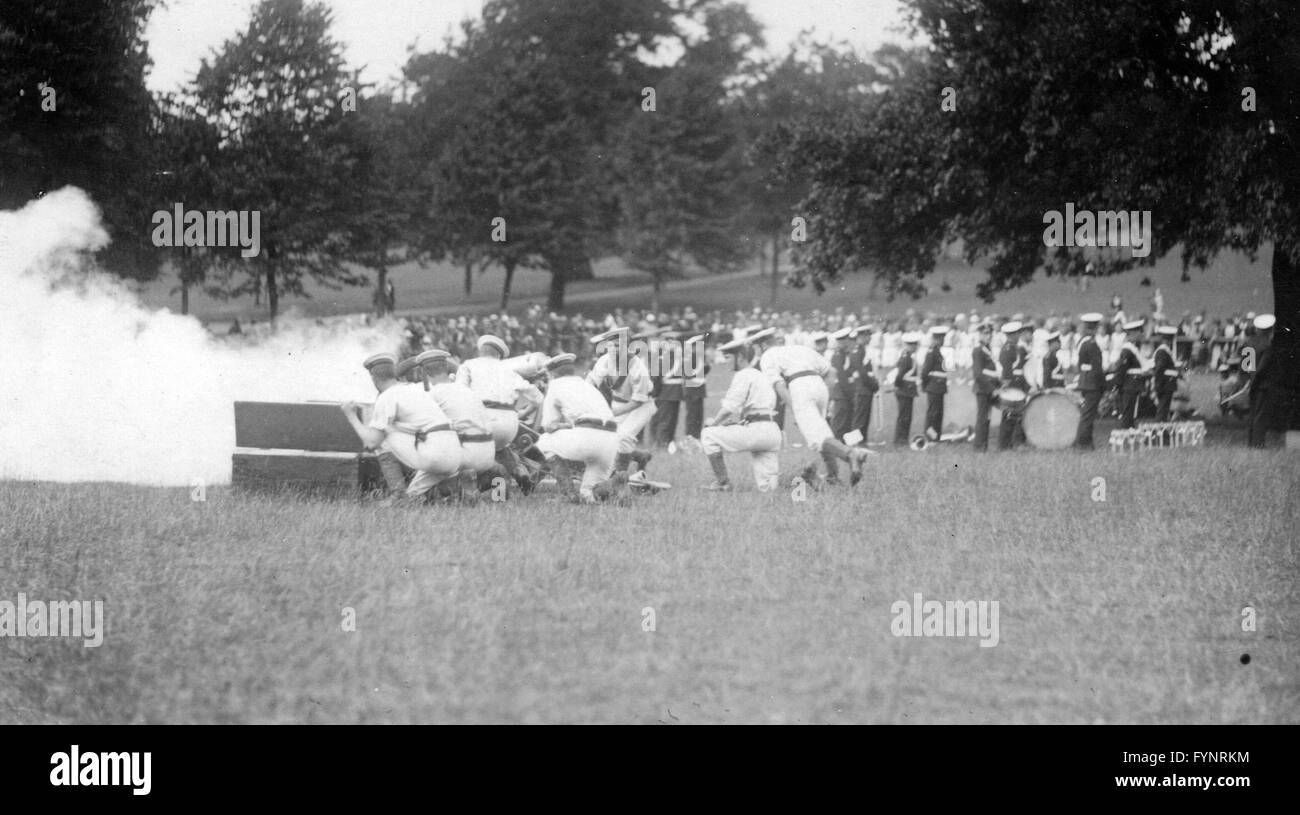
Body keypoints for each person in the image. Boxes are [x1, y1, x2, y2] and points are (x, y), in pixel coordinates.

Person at [754, 328, 870, 485]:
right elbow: (832, 372)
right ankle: (832, 476)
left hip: (799, 386)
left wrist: (795, 409)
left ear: (763, 345)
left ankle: (850, 454)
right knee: (822, 432)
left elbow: (780, 385)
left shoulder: (768, 356)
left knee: (817, 438)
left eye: (756, 347)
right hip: (819, 384)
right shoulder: (800, 348)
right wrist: (826, 397)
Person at [340, 353, 461, 501]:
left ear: (373, 377)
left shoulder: (387, 397)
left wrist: (351, 415)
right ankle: (439, 495)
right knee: (410, 499)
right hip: (454, 454)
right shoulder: (415, 388)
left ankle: (398, 494)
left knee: (383, 439)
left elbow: (371, 443)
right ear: (394, 374)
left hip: (435, 457)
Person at [535, 353, 621, 503]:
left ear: (553, 374)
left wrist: (565, 426)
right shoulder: (587, 385)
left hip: (587, 436)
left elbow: (548, 426)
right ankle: (616, 489)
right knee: (587, 495)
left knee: (544, 441)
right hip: (611, 440)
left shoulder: (555, 385)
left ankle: (567, 494)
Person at [700, 337, 782, 492]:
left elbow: (729, 407)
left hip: (757, 432)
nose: (725, 361)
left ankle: (722, 483)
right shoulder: (759, 375)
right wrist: (738, 423)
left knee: (708, 434)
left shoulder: (744, 374)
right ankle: (804, 477)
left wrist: (715, 423)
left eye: (728, 357)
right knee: (769, 490)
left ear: (741, 357)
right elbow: (757, 411)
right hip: (771, 432)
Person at [416, 349, 499, 499]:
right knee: (496, 472)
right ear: (446, 368)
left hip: (465, 455)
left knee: (416, 496)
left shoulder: (433, 394)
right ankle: (496, 490)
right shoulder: (467, 390)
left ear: (425, 373)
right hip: (488, 454)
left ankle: (462, 485)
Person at [587, 327, 656, 475]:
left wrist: (613, 412)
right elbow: (591, 382)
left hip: (641, 405)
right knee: (607, 437)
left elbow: (639, 400)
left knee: (624, 436)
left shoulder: (638, 367)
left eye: (617, 345)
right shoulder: (604, 360)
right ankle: (640, 456)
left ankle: (619, 475)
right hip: (618, 402)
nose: (613, 349)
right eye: (610, 345)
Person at [1073, 313, 1106, 450]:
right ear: (1095, 327)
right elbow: (1097, 367)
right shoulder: (1091, 344)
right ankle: (1083, 443)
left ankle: (1085, 442)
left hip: (1085, 380)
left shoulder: (1082, 342)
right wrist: (1103, 384)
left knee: (1087, 414)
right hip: (1092, 382)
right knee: (1088, 415)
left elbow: (1081, 364)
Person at [1111, 319, 1150, 429]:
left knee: (1132, 412)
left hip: (1134, 384)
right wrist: (1117, 385)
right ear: (1133, 333)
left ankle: (1129, 431)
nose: (1142, 334)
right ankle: (1126, 433)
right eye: (1140, 332)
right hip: (1130, 384)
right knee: (1128, 413)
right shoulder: (1128, 350)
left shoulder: (1134, 348)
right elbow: (1121, 369)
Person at [997, 321, 1030, 450]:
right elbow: (1006, 370)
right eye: (1016, 334)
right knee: (1008, 416)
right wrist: (1006, 384)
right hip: (1011, 385)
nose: (1018, 336)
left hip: (1019, 384)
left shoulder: (1018, 348)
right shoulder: (1007, 350)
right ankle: (1004, 445)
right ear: (1010, 335)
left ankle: (1015, 442)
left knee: (1018, 416)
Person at [1247, 313, 1276, 447]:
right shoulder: (1268, 346)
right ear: (1270, 329)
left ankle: (1251, 442)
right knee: (1260, 414)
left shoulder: (1250, 343)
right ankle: (1258, 443)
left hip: (1251, 383)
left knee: (1253, 413)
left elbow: (1246, 366)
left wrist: (1249, 382)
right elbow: (1261, 368)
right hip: (1262, 385)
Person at [971, 321, 999, 452]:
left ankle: (984, 445)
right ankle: (979, 446)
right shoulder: (978, 351)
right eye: (986, 333)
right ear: (980, 335)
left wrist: (998, 385)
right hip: (983, 389)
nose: (989, 336)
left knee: (987, 418)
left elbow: (991, 371)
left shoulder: (987, 350)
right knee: (982, 418)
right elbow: (978, 374)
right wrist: (991, 389)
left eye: (990, 333)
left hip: (989, 388)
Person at [849, 325, 880, 445]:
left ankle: (862, 441)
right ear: (862, 336)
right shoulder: (857, 351)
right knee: (860, 419)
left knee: (864, 418)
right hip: (862, 388)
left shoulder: (862, 350)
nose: (870, 338)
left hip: (865, 389)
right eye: (868, 336)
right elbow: (862, 372)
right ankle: (856, 444)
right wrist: (873, 385)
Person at [892, 332, 922, 446]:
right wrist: (898, 386)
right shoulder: (906, 357)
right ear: (911, 345)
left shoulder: (909, 356)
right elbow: (899, 375)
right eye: (915, 345)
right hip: (904, 390)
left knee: (906, 416)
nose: (916, 347)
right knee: (904, 416)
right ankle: (900, 440)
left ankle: (903, 439)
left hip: (907, 390)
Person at [681, 334, 709, 452]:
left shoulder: (697, 356)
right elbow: (688, 373)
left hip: (697, 390)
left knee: (697, 416)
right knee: (693, 417)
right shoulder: (691, 356)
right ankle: (691, 441)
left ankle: (695, 440)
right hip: (693, 390)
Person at [829, 327, 857, 442]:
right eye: (847, 340)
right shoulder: (838, 355)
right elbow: (841, 376)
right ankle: (837, 444)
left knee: (847, 419)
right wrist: (849, 393)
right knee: (840, 421)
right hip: (842, 391)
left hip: (845, 390)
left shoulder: (844, 353)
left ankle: (844, 443)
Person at [921, 325, 949, 439]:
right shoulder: (932, 352)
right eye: (941, 339)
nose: (942, 341)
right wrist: (925, 385)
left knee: (938, 413)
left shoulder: (937, 352)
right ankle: (930, 436)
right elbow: (925, 372)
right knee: (933, 413)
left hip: (939, 387)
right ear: (936, 339)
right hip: (933, 386)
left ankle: (936, 435)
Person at [1152, 325, 1180, 421]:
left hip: (1166, 383)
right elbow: (1160, 368)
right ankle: (1159, 429)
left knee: (1164, 409)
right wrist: (1158, 385)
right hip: (1165, 384)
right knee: (1162, 409)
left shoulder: (1165, 351)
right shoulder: (1162, 352)